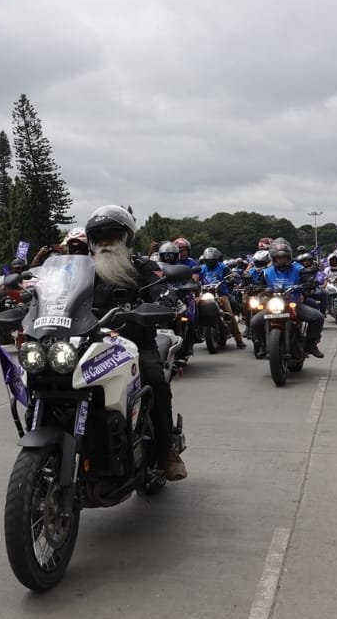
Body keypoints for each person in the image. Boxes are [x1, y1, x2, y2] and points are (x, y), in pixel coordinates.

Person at [85, 204, 186, 482]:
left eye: (112, 235)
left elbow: (164, 291)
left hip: (135, 345)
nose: (106, 242)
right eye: (100, 237)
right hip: (89, 347)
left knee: (154, 379)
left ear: (126, 238)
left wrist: (164, 302)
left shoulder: (143, 267)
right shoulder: (84, 271)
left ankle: (166, 452)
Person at [247, 242, 325, 359]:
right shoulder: (267, 271)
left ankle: (311, 344)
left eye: (283, 257)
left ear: (289, 257)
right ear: (273, 259)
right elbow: (259, 285)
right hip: (273, 305)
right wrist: (253, 288)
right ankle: (262, 344)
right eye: (278, 258)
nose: (281, 260)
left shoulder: (299, 269)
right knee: (254, 322)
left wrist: (308, 285)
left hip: (293, 303)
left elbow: (306, 280)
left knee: (318, 317)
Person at [197, 246, 245, 349]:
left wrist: (230, 279)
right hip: (206, 295)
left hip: (221, 294)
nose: (210, 262)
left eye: (213, 260)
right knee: (195, 311)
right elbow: (196, 279)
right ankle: (195, 334)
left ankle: (238, 339)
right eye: (208, 260)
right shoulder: (202, 268)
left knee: (229, 314)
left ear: (216, 260)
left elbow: (230, 276)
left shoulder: (223, 267)